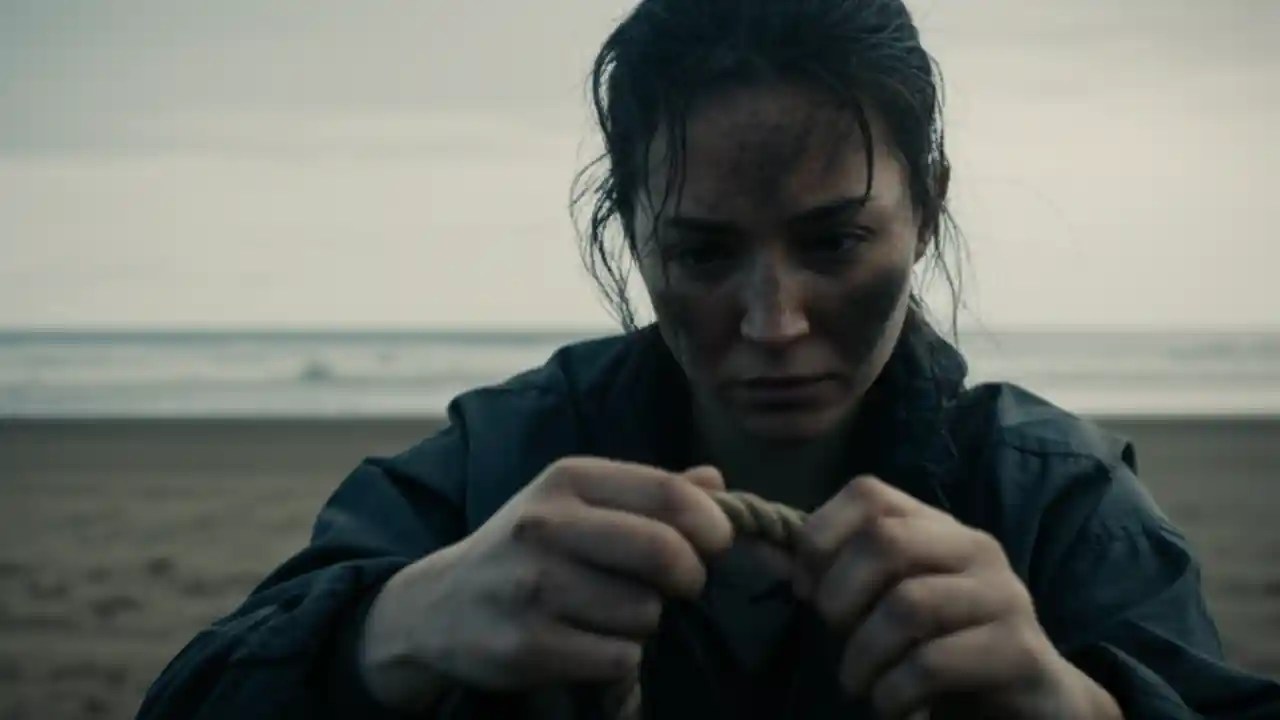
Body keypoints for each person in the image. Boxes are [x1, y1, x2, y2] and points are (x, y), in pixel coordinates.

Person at [137, 1, 1280, 718]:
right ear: (626, 233)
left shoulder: (1057, 502)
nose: (772, 321)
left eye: (833, 240)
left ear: (926, 211)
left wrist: (1066, 703)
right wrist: (389, 634)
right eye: (700, 251)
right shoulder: (496, 469)